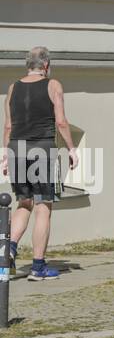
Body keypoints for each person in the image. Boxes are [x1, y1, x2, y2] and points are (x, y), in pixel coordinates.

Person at [2, 47, 77, 281]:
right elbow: (61, 122)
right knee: (43, 206)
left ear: (28, 64)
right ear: (46, 65)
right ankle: (38, 267)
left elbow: (8, 126)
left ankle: (7, 255)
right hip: (42, 148)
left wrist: (5, 154)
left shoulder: (13, 88)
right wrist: (72, 148)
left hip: (17, 148)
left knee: (23, 203)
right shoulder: (53, 85)